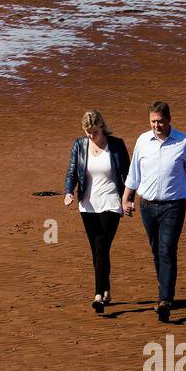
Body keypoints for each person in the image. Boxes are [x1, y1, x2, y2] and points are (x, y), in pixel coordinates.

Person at [121, 101, 186, 323]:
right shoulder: (143, 141)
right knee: (156, 250)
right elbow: (134, 173)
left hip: (174, 205)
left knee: (167, 249)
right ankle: (165, 290)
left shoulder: (182, 142)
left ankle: (165, 301)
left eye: (160, 121)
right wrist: (126, 198)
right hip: (147, 206)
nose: (156, 125)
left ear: (169, 119)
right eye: (153, 121)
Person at [63, 109, 131, 314]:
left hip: (111, 203)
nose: (91, 136)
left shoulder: (116, 145)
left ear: (102, 127)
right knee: (97, 250)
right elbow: (72, 171)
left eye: (94, 131)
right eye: (88, 132)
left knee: (101, 246)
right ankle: (107, 289)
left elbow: (128, 175)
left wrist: (129, 199)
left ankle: (98, 295)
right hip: (87, 205)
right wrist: (68, 192)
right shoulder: (80, 145)